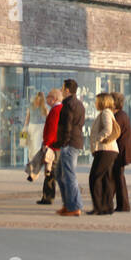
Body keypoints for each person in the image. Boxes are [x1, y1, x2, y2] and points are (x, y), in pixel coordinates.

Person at [54, 78, 86, 217]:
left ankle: (75, 206)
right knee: (59, 174)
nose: (61, 91)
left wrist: (64, 142)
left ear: (67, 90)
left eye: (62, 89)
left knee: (69, 176)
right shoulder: (78, 104)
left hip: (70, 143)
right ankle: (68, 204)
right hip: (73, 142)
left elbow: (67, 126)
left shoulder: (69, 105)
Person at [87, 92, 120, 214]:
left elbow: (108, 130)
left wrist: (97, 139)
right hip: (108, 150)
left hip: (105, 150)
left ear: (103, 102)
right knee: (105, 178)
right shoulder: (106, 113)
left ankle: (99, 206)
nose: (95, 103)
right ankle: (107, 207)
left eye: (97, 101)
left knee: (95, 177)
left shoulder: (106, 113)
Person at [29, 87, 61, 199]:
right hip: (55, 144)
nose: (47, 100)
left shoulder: (55, 110)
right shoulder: (58, 109)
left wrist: (46, 143)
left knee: (50, 170)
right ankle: (47, 195)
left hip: (53, 145)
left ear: (54, 98)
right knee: (50, 169)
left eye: (48, 97)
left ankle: (48, 196)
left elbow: (52, 128)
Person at [112, 90, 131, 212]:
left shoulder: (119, 116)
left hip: (121, 151)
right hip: (122, 150)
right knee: (118, 177)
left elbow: (114, 133)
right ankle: (121, 204)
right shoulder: (122, 115)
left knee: (118, 177)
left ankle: (123, 205)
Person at [24, 90, 47, 172]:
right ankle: (33, 164)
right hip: (37, 127)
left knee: (34, 146)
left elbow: (27, 118)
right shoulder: (43, 107)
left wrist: (25, 127)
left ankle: (33, 164)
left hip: (35, 127)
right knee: (34, 146)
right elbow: (47, 118)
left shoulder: (33, 106)